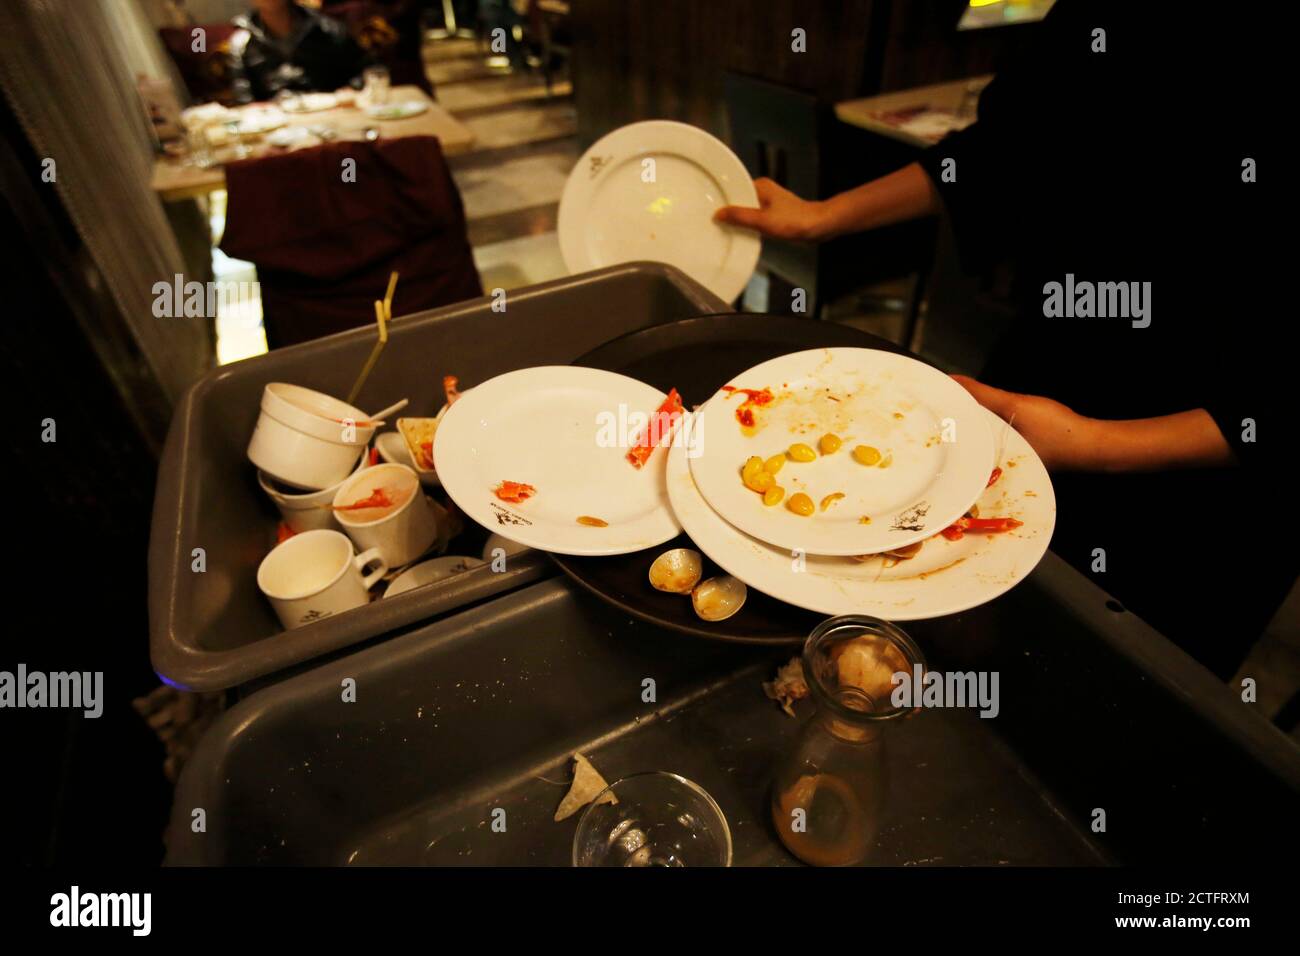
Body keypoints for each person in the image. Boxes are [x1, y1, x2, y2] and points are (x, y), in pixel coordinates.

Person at [716, 1, 1289, 680]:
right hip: (1050, 367)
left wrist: (1101, 448)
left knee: (1104, 698)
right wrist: (824, 216)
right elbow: (1006, 149)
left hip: (1207, 493)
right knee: (940, 651)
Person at [229, 0, 372, 104]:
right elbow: (243, 100)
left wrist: (351, 89)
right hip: (275, 126)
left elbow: (369, 70)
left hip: (328, 116)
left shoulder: (328, 29)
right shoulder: (242, 42)